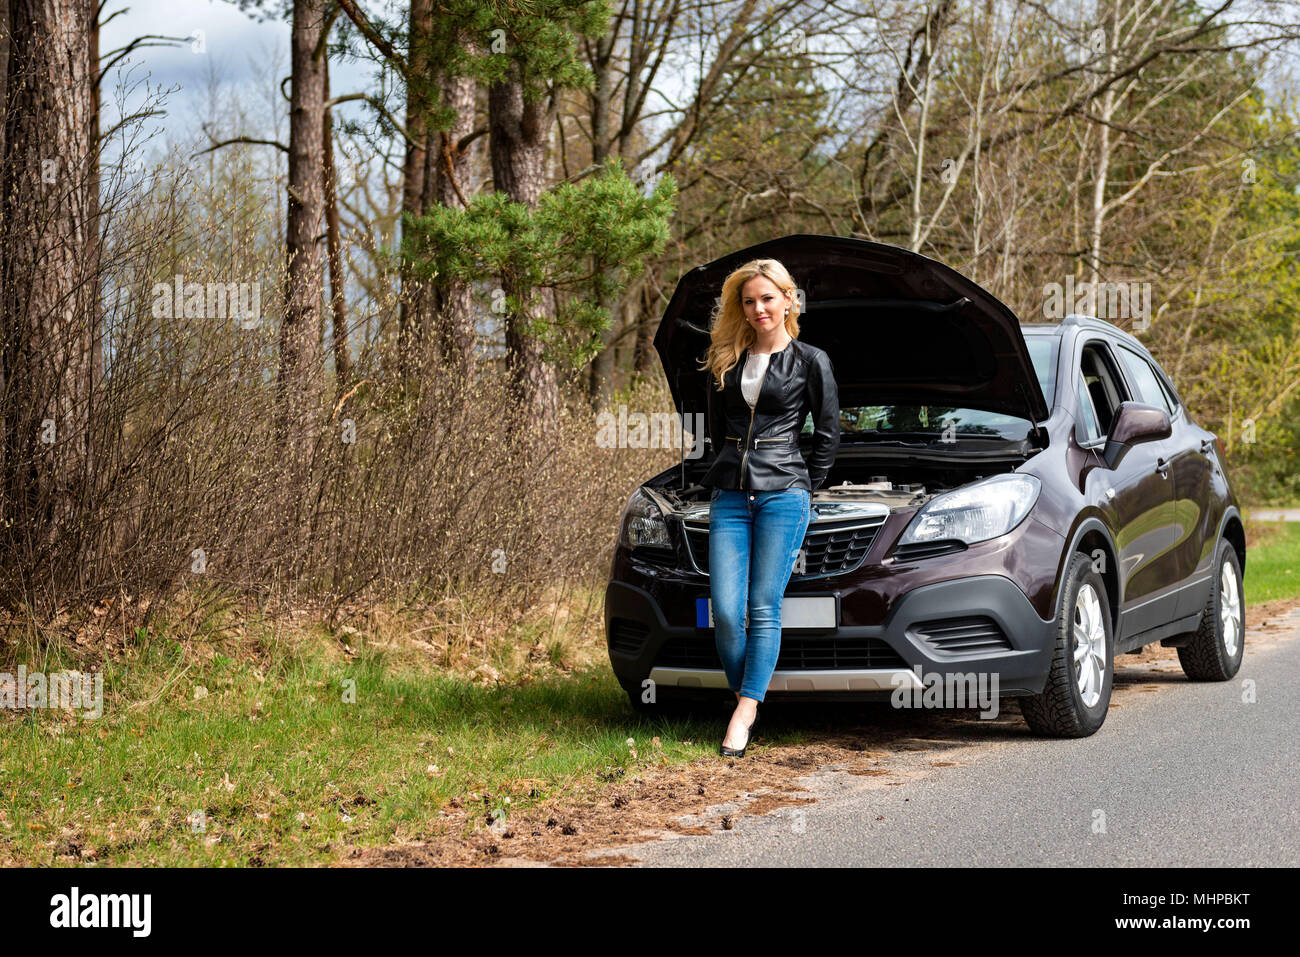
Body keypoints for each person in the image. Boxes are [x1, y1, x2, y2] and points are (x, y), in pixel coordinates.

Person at [696, 257, 840, 757]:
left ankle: (745, 711)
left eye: (767, 298)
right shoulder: (727, 360)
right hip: (730, 497)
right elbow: (715, 434)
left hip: (784, 493)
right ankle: (749, 695)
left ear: (788, 301)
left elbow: (827, 434)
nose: (759, 308)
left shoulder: (810, 361)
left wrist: (805, 486)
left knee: (763, 606)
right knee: (727, 611)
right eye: (750, 301)